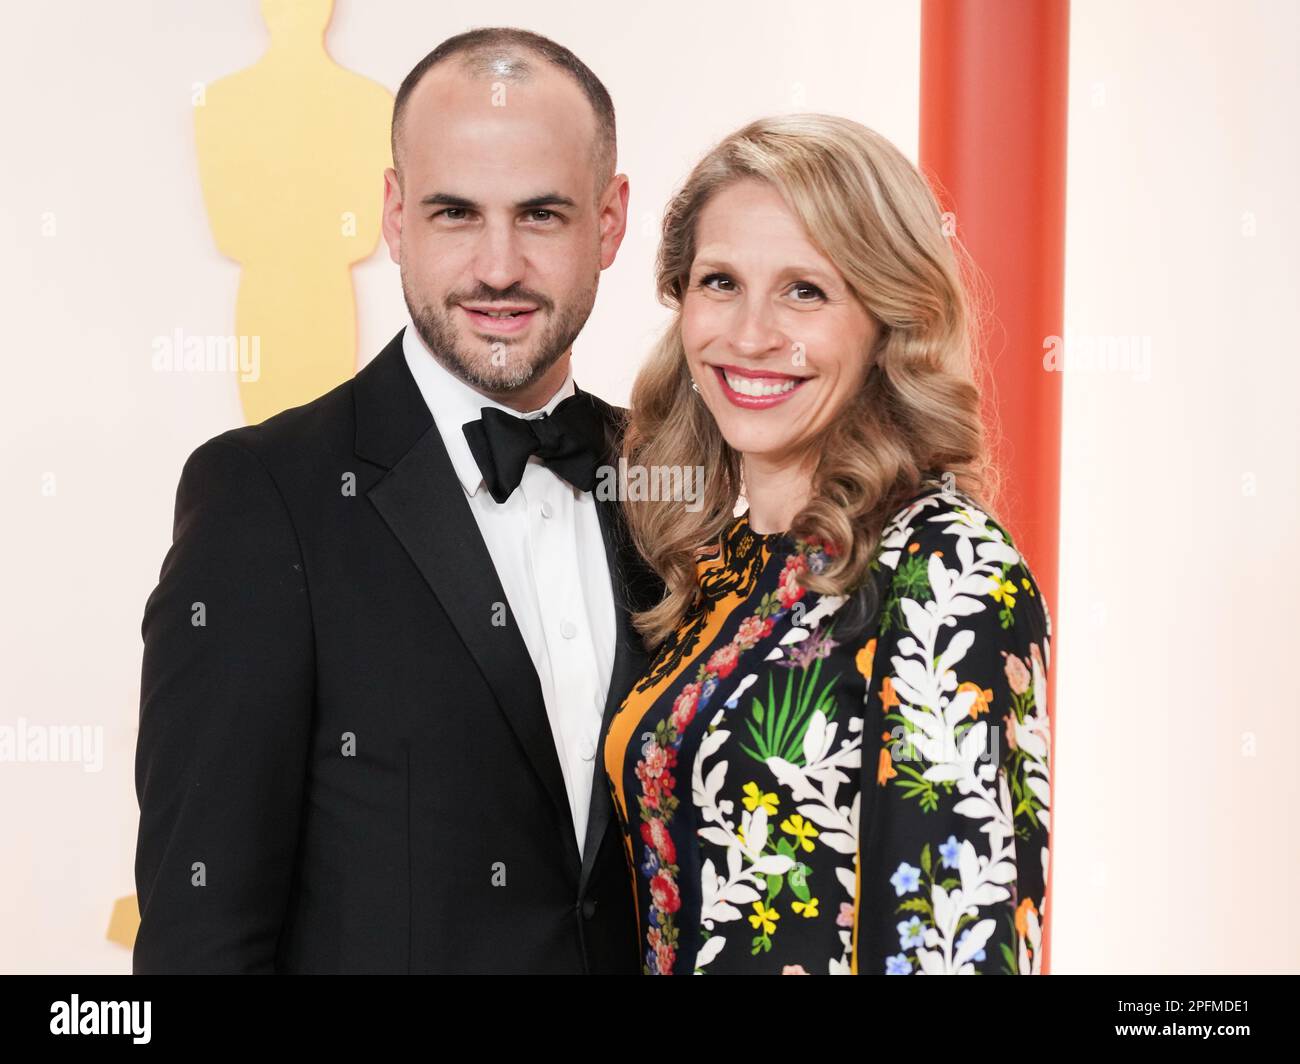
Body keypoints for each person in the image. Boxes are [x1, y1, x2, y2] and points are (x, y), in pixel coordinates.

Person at [134, 28, 658, 974]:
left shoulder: (676, 487)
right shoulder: (265, 500)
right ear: (393, 215)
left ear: (612, 220)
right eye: (456, 213)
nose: (498, 268)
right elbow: (201, 940)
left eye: (541, 215)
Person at [603, 114, 1053, 974]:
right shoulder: (717, 568)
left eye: (806, 290)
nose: (750, 335)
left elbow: (955, 948)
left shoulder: (946, 567)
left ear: (887, 318)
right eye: (721, 282)